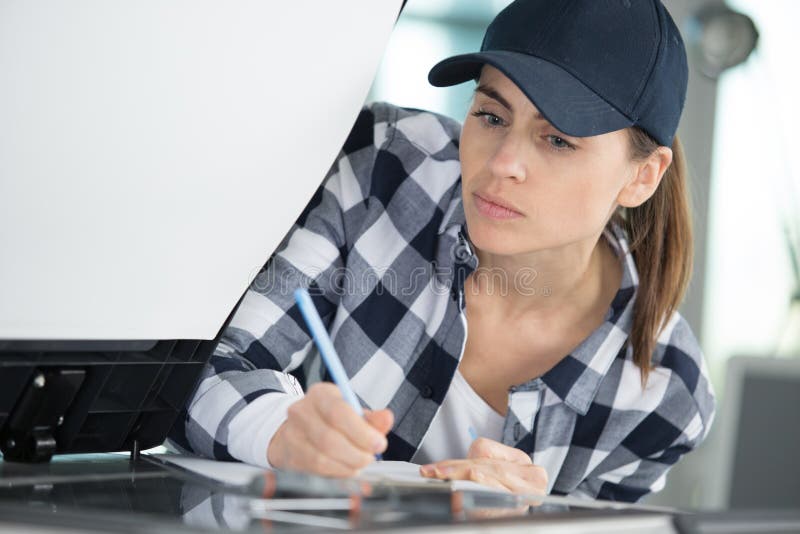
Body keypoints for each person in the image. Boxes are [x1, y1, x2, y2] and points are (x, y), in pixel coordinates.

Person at [170, 0, 716, 502]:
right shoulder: (384, 166)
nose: (502, 163)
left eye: (558, 140)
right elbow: (195, 375)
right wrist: (278, 430)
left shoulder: (666, 393)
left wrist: (539, 524)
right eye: (492, 116)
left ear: (643, 177)